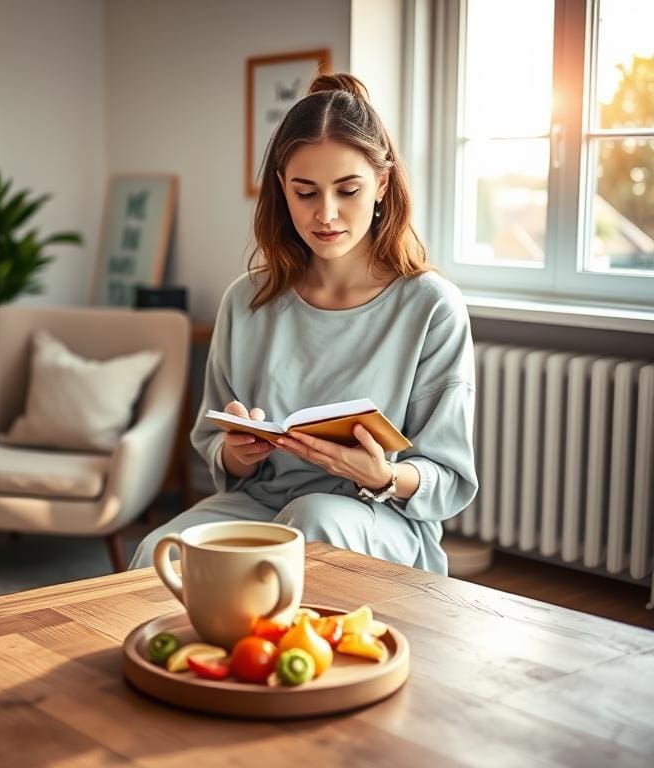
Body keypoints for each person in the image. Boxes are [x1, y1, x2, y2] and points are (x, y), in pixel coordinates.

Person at [130, 73, 478, 575]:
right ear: (282, 189)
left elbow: (448, 475)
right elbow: (215, 448)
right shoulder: (246, 301)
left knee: (312, 523)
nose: (326, 214)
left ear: (381, 184)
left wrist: (381, 475)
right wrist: (239, 452)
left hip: (379, 514)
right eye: (306, 192)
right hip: (261, 505)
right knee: (160, 551)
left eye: (348, 190)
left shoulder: (431, 307)